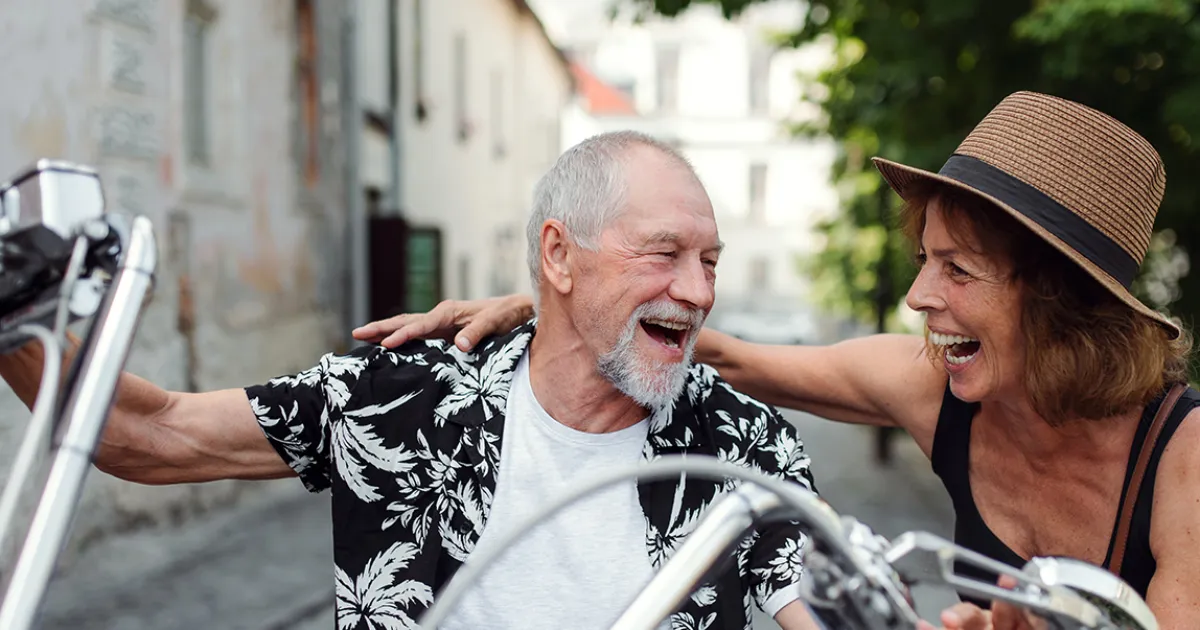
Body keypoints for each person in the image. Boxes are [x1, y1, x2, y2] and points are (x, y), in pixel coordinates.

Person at [353, 92, 1200, 629]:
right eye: (923, 261)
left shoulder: (1181, 454)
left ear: (1058, 302)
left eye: (958, 270)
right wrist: (556, 309)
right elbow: (734, 361)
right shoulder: (931, 384)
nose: (918, 300)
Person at [0, 131, 824, 630]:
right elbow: (149, 433)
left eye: (710, 261)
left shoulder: (742, 446)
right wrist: (13, 313)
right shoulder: (403, 397)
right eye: (665, 253)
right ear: (559, 255)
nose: (698, 289)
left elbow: (822, 606)